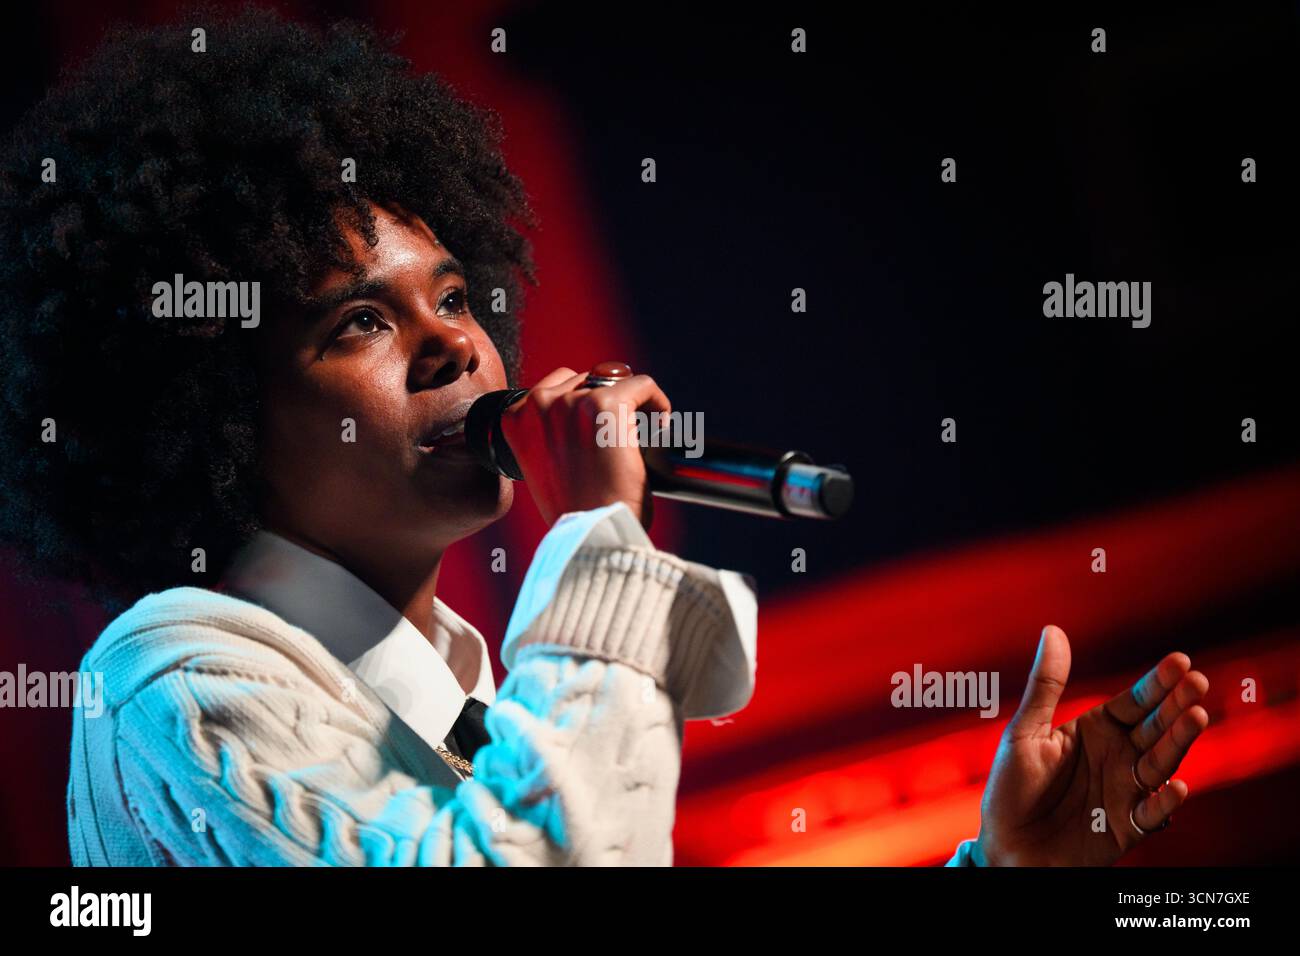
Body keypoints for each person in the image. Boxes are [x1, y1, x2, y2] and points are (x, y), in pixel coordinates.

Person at [0, 7, 1207, 867]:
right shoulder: (172, 675)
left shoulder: (473, 688)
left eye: (459, 297)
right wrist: (600, 532)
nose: (456, 349)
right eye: (361, 320)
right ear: (206, 408)